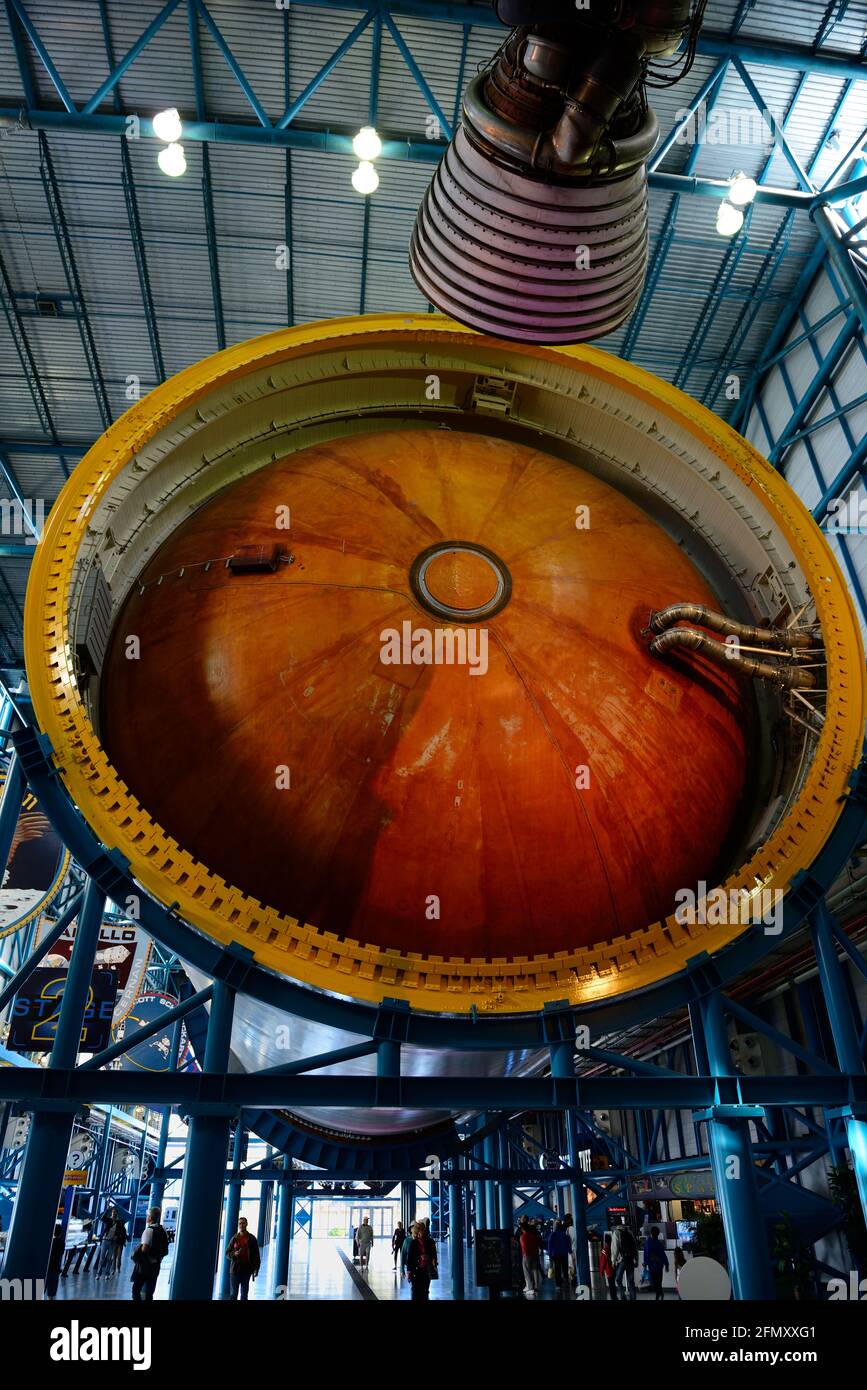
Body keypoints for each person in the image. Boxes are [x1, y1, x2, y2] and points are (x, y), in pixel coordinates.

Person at [130, 1206, 169, 1301]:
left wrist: (137, 1251)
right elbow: (165, 1248)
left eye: (148, 1215)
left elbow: (145, 1248)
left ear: (150, 1217)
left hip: (145, 1266)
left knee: (136, 1289)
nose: (146, 1217)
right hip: (156, 1265)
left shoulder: (148, 1230)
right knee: (149, 1292)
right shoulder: (162, 1229)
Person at [225, 1215, 261, 1300]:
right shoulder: (234, 1238)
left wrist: (256, 1268)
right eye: (240, 1223)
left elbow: (256, 1255)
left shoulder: (252, 1239)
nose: (241, 1225)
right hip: (235, 1270)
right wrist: (234, 1254)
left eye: (243, 1223)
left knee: (244, 1294)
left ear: (246, 1224)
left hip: (247, 1269)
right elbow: (227, 1253)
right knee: (233, 1294)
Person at [405, 1220, 437, 1301]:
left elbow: (434, 1255)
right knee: (415, 1292)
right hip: (416, 1271)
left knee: (425, 1291)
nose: (420, 1231)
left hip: (427, 1270)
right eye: (419, 1229)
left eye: (422, 1229)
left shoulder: (430, 1241)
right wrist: (408, 1271)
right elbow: (410, 1258)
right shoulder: (413, 1242)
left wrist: (429, 1258)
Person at [611, 1221, 638, 1301]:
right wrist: (636, 1259)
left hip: (622, 1260)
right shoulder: (629, 1232)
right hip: (631, 1259)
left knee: (618, 1279)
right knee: (631, 1281)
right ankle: (633, 1297)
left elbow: (615, 1248)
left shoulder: (616, 1232)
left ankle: (623, 1296)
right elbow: (635, 1247)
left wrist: (613, 1261)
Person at [642, 1225, 669, 1302]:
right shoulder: (650, 1243)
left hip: (657, 1266)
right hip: (654, 1266)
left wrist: (666, 1264)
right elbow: (647, 1254)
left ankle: (658, 1295)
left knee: (656, 1283)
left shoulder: (656, 1243)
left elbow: (662, 1255)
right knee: (655, 1283)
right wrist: (666, 1264)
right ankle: (659, 1293)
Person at [547, 1219, 572, 1293]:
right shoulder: (564, 1234)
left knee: (557, 1269)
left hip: (556, 1254)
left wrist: (550, 1254)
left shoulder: (553, 1234)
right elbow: (568, 1243)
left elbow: (550, 1245)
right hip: (564, 1254)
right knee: (565, 1268)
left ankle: (558, 1285)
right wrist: (569, 1250)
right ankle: (566, 1281)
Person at [520, 1218, 543, 1297]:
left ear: (523, 1229)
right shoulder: (532, 1235)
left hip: (527, 1255)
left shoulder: (523, 1236)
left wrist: (525, 1254)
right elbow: (536, 1244)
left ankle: (530, 1288)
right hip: (535, 1254)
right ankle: (535, 1286)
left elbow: (524, 1247)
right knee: (534, 1270)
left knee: (527, 1271)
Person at [599, 1233, 618, 1301]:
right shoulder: (612, 1248)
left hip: (609, 1271)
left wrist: (601, 1272)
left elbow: (602, 1262)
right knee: (613, 1284)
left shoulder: (604, 1250)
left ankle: (613, 1298)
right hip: (614, 1269)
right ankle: (615, 1297)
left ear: (605, 1241)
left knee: (611, 1285)